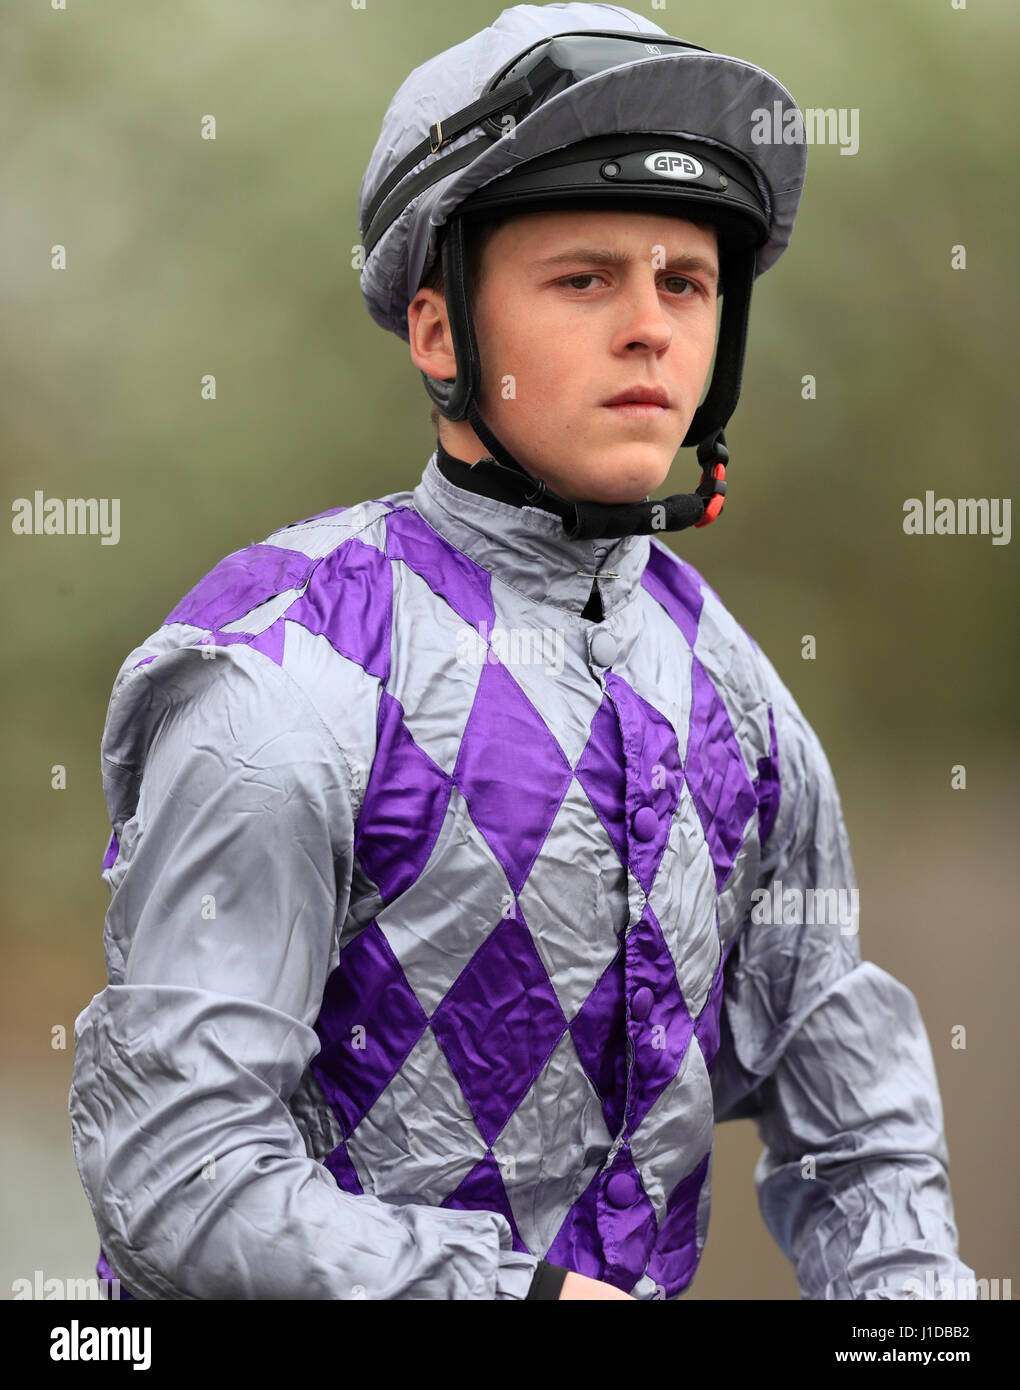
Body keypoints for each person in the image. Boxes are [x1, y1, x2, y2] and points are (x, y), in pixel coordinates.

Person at [69, 3, 976, 1301]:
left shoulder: (743, 699)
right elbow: (176, 1173)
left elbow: (856, 1118)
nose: (651, 329)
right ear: (440, 332)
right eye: (584, 278)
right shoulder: (282, 670)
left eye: (687, 282)